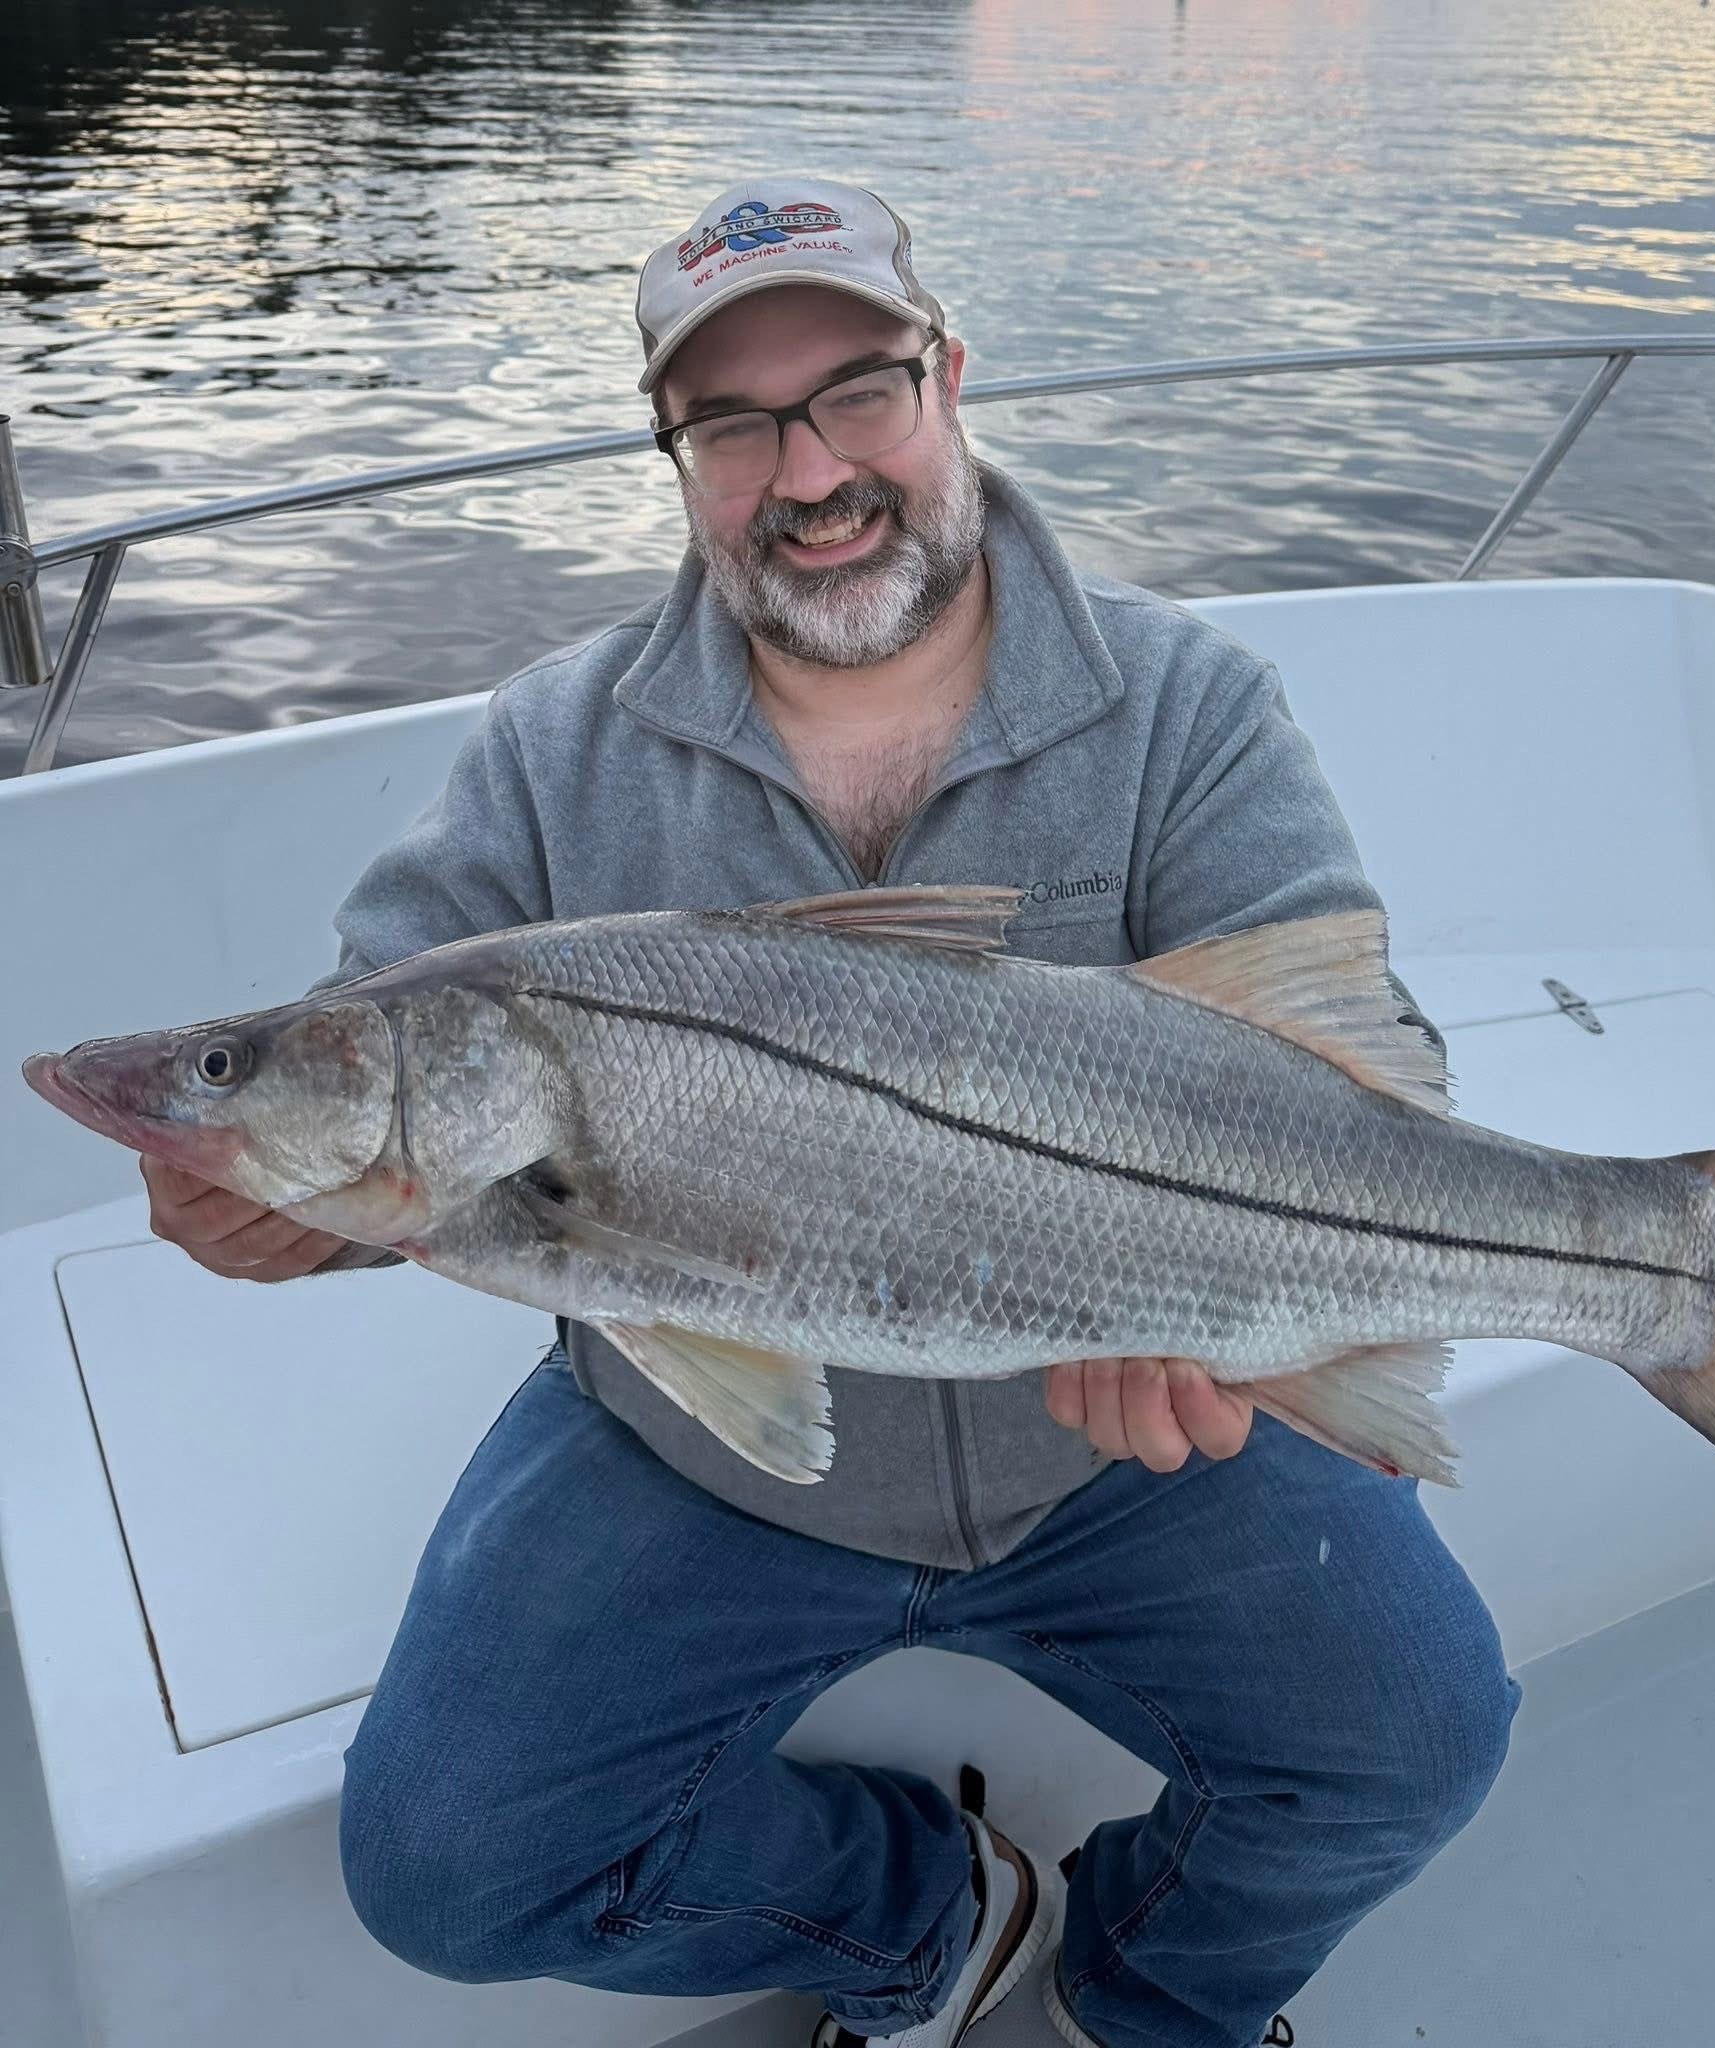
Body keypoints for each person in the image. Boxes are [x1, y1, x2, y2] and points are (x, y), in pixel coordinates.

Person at [139, 178, 1518, 2048]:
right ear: (680, 457)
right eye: (730, 424)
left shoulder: (1186, 704)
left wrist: (1262, 1350)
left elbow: (1369, 1072)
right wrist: (268, 1197)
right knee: (449, 1870)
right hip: (687, 1441)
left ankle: (1141, 1997)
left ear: (947, 377)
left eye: (856, 391)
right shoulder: (554, 745)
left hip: (1117, 1441)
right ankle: (929, 1926)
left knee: (1424, 1740)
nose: (807, 473)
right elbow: (374, 1039)